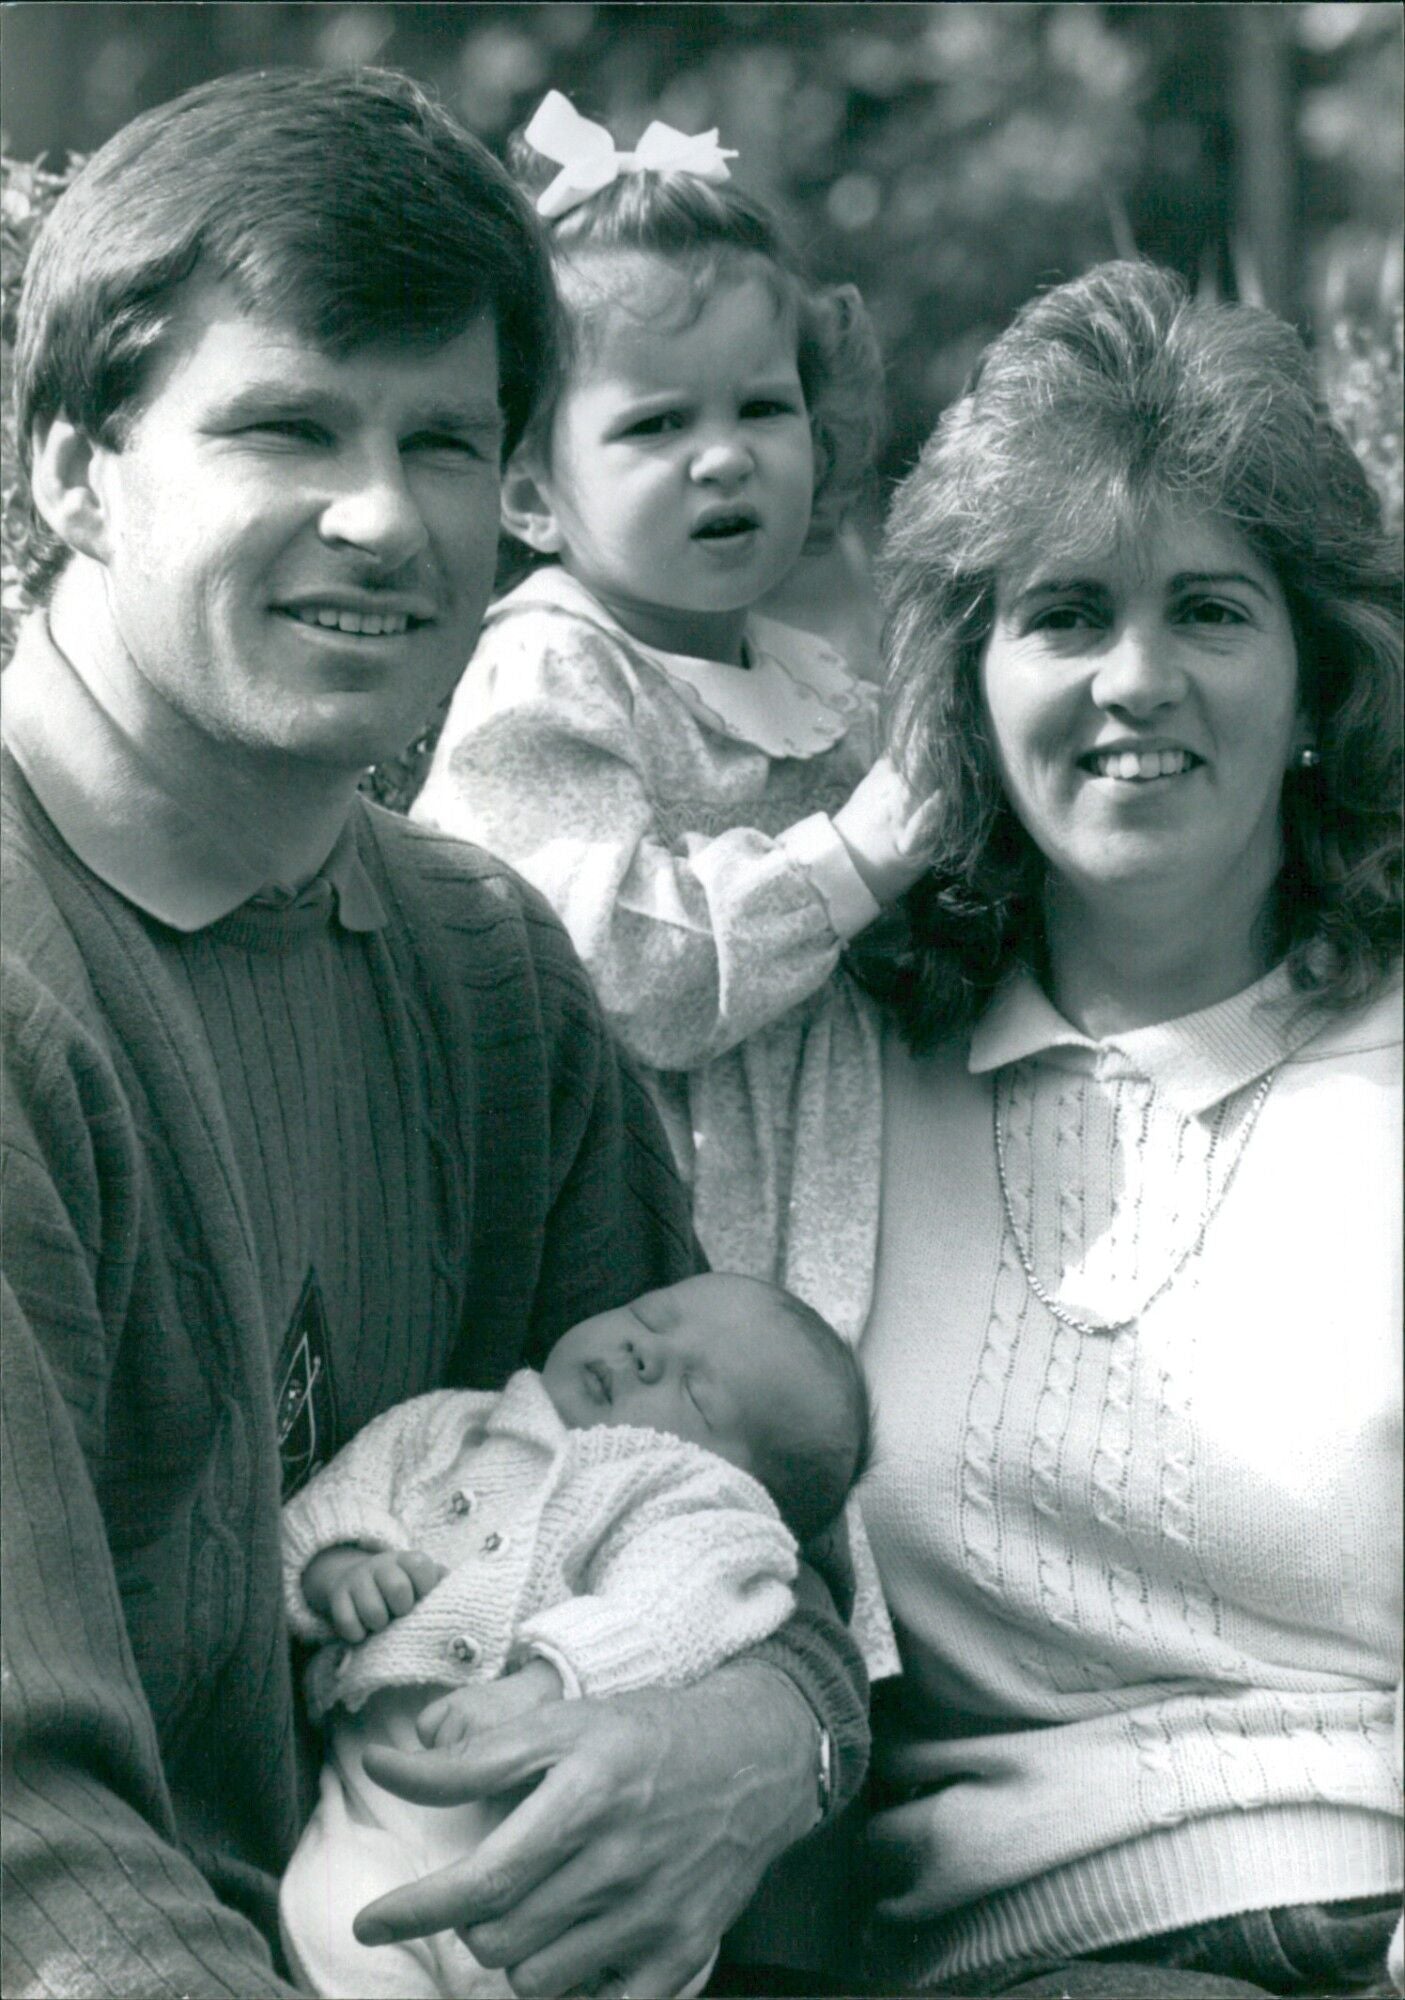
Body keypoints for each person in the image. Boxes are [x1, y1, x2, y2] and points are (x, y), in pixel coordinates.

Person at [0, 69, 870, 2000]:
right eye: (288, 427)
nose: (382, 517)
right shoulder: (24, 1012)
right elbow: (32, 1860)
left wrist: (751, 1748)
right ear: (73, 468)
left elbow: (739, 1533)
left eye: (448, 442)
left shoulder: (486, 966)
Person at [841, 260, 1403, 1998]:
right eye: (1067, 612)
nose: (1134, 678)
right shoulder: (834, 1076)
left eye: (1213, 613)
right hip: (1027, 1952)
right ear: (971, 684)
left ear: (1322, 685)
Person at [412, 90, 939, 1353]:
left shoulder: (811, 682)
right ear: (532, 490)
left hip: (826, 1211)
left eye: (760, 407)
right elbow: (607, 968)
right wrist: (856, 857)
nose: (723, 457)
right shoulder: (546, 669)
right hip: (633, 1255)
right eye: (656, 424)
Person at [278, 1271, 869, 1998]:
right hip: (375, 1811)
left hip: (571, 1861)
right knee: (337, 1921)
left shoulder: (691, 1501)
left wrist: (550, 1680)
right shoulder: (450, 1424)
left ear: (743, 1477)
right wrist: (339, 1569)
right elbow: (345, 1490)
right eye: (648, 1316)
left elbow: (666, 1607)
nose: (646, 1353)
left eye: (696, 1392)